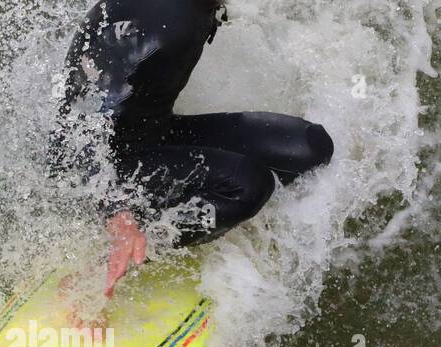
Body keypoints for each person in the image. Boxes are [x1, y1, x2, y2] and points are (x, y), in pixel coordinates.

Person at [50, 0, 335, 296]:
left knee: (310, 145)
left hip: (156, 134)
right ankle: (102, 267)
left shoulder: (196, 8)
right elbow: (76, 128)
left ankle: (199, 210)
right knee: (250, 185)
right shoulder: (166, 27)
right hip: (105, 168)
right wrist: (117, 215)